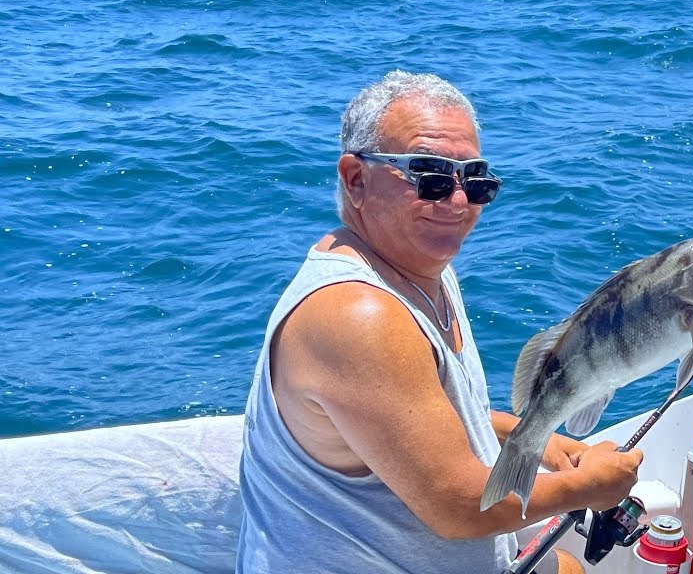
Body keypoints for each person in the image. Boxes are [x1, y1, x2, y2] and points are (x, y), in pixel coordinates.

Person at [237, 71, 642, 574]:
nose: (456, 202)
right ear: (355, 179)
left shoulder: (420, 271)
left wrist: (542, 440)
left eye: (475, 182)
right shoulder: (359, 315)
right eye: (428, 176)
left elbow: (435, 415)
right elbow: (456, 508)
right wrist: (588, 486)